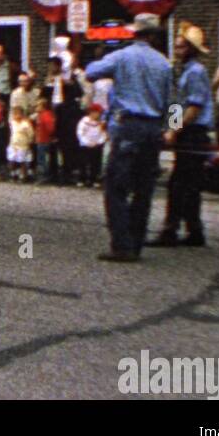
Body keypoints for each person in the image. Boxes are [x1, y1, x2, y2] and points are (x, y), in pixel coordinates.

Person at [84, 13, 172, 262]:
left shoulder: (122, 56)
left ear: (134, 33)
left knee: (116, 186)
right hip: (153, 127)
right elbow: (172, 102)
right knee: (144, 188)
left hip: (128, 125)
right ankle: (136, 241)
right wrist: (169, 128)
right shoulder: (164, 63)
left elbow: (91, 72)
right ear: (154, 36)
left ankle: (122, 244)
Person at [147, 21, 215, 248]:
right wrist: (171, 129)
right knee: (188, 184)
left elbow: (194, 108)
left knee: (180, 184)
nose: (178, 50)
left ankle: (171, 231)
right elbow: (178, 103)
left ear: (192, 49)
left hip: (194, 132)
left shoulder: (196, 72)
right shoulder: (182, 71)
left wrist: (175, 131)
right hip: (185, 131)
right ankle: (195, 231)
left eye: (182, 47)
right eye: (177, 46)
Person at [44, 56, 84, 185]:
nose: (50, 68)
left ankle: (67, 173)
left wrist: (70, 84)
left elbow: (78, 92)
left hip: (65, 114)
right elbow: (44, 97)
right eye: (49, 66)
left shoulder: (68, 78)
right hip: (52, 112)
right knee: (51, 144)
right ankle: (52, 173)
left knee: (66, 144)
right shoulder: (48, 80)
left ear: (58, 66)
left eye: (52, 65)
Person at [76, 103, 107, 187]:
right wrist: (86, 142)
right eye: (97, 112)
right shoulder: (84, 121)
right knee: (83, 162)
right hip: (85, 145)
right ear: (91, 112)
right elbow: (80, 133)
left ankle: (94, 179)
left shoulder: (101, 123)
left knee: (95, 163)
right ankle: (82, 178)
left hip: (96, 146)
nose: (98, 114)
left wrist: (98, 142)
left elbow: (103, 134)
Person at [7, 106, 35, 182]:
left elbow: (31, 134)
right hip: (13, 144)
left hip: (23, 144)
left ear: (22, 114)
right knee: (12, 160)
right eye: (15, 114)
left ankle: (23, 175)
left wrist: (29, 142)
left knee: (22, 160)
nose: (17, 116)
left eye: (19, 114)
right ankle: (13, 174)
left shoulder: (26, 124)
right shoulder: (12, 123)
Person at [34, 97, 58, 184]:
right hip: (41, 139)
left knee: (42, 159)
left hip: (44, 140)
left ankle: (44, 176)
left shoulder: (46, 115)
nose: (36, 107)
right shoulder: (41, 115)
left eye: (38, 106)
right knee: (41, 158)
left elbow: (50, 128)